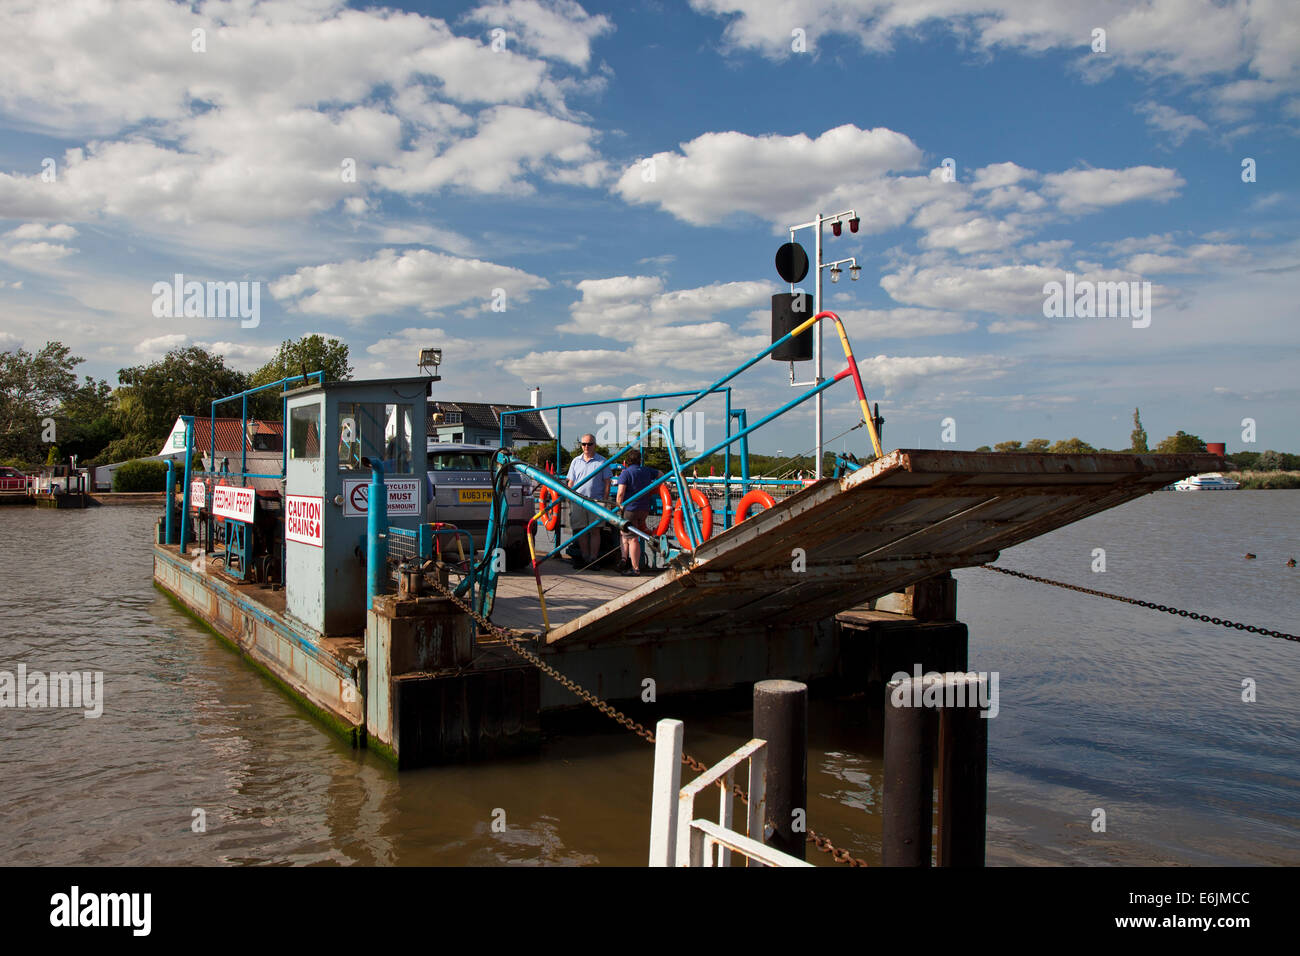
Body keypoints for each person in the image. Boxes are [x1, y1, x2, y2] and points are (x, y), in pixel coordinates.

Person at [566, 433, 609, 569]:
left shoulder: (602, 461)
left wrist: (605, 500)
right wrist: (570, 497)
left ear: (594, 445)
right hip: (578, 500)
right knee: (581, 530)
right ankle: (585, 557)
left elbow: (607, 482)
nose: (586, 447)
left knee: (596, 530)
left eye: (589, 444)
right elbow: (571, 482)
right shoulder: (575, 461)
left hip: (596, 500)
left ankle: (593, 559)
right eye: (584, 444)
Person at [616, 448, 660, 576]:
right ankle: (624, 559)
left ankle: (635, 568)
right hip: (644, 508)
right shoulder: (646, 471)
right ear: (639, 460)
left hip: (630, 508)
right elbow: (661, 474)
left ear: (627, 461)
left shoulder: (625, 473)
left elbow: (620, 493)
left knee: (633, 538)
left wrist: (619, 506)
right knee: (624, 533)